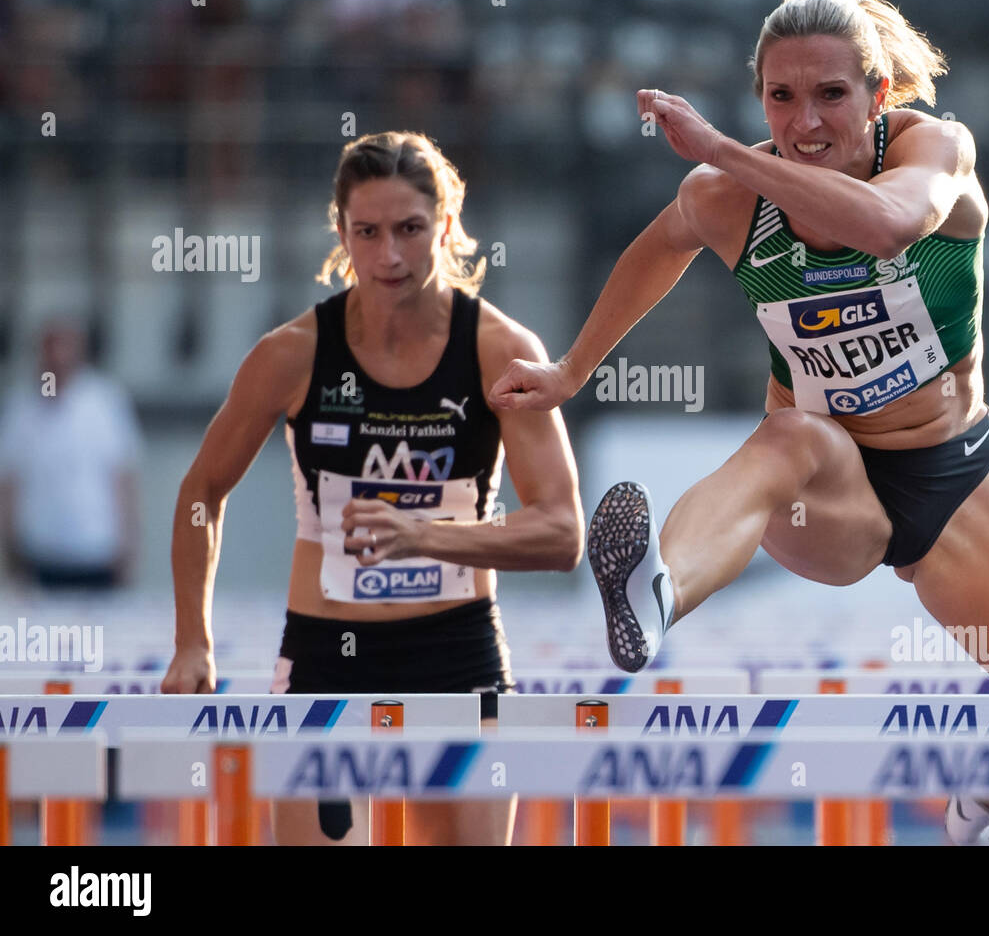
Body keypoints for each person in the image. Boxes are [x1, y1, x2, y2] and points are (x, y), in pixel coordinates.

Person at [488, 0, 989, 845]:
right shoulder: (726, 199)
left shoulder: (936, 151)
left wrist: (722, 149)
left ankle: (987, 789)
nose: (804, 123)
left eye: (831, 95)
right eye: (782, 99)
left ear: (879, 96)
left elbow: (882, 224)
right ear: (761, 100)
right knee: (789, 436)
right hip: (825, 488)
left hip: (952, 482)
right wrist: (572, 370)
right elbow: (660, 247)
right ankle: (655, 590)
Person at [161, 131, 583, 846]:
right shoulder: (291, 354)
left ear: (446, 226)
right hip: (327, 649)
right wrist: (192, 641)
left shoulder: (501, 350)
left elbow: (564, 532)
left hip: (457, 650)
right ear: (341, 233)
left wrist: (424, 534)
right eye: (369, 232)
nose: (390, 255)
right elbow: (202, 489)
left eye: (411, 230)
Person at [0, 317, 142, 590]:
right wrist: (9, 554)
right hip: (39, 555)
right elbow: (9, 485)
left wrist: (130, 546)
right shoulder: (21, 408)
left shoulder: (105, 402)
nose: (57, 358)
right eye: (51, 349)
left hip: (97, 553)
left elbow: (125, 479)